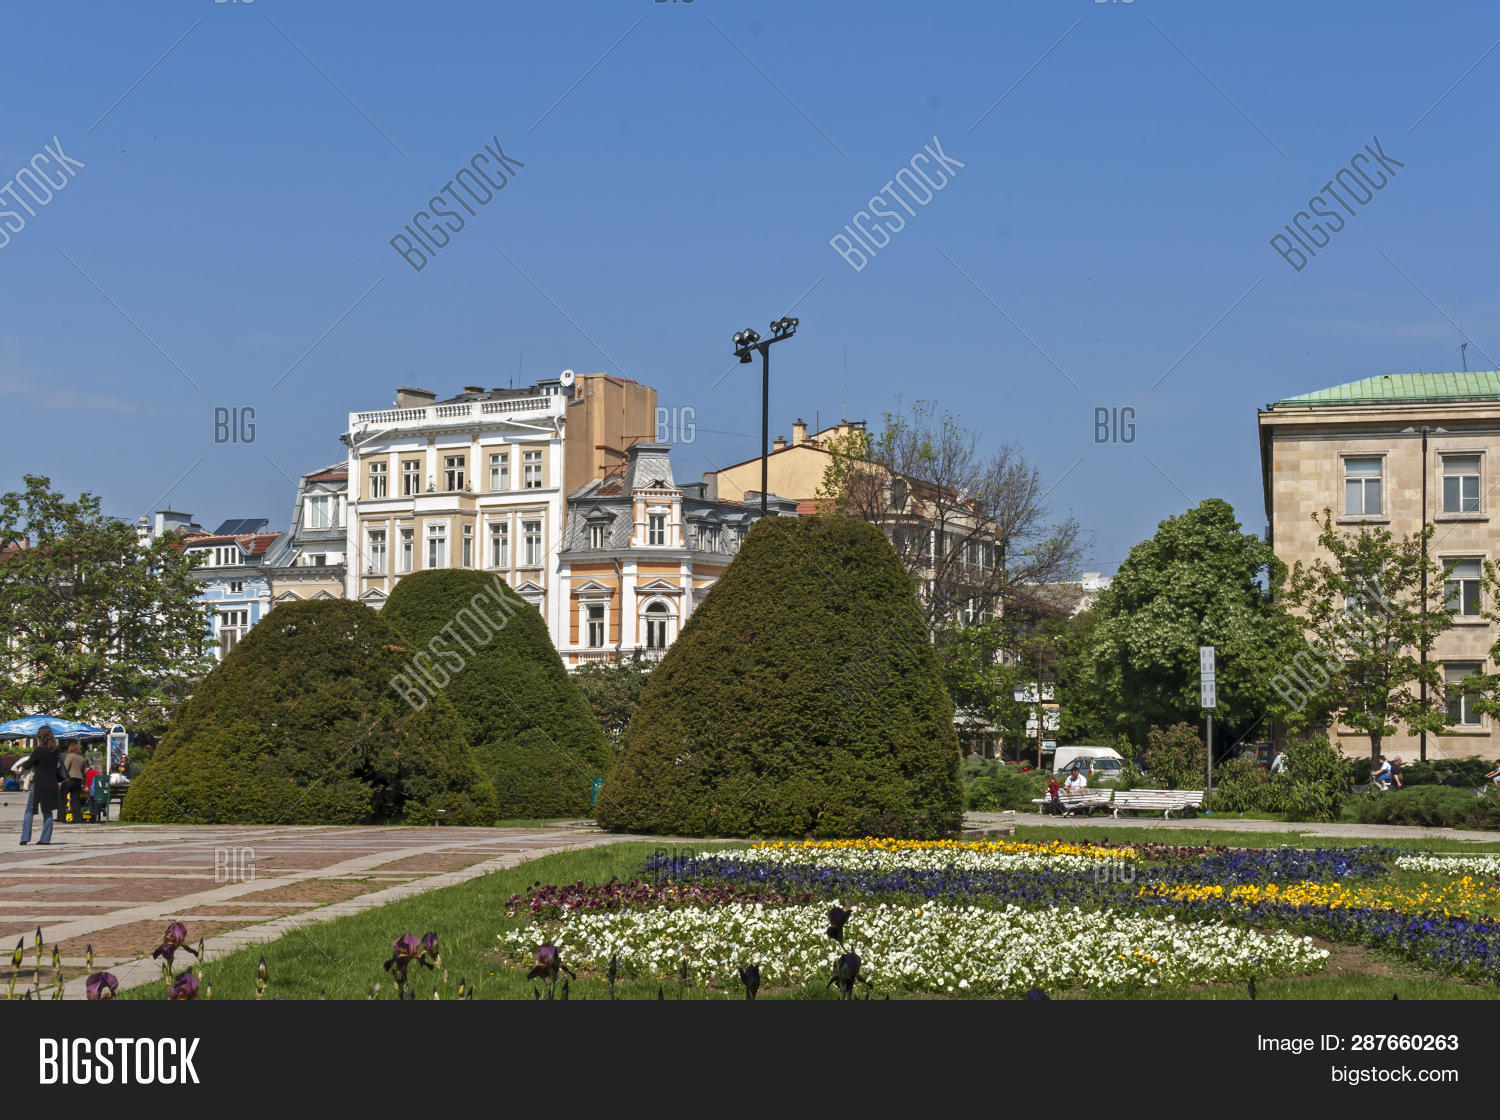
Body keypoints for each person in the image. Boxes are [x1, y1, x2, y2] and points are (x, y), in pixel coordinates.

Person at [17, 726, 63, 846]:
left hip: (39, 784)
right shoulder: (56, 751)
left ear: (40, 737)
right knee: (48, 811)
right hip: (52, 783)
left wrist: (21, 767)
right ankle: (45, 839)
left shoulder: (39, 750)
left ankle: (25, 837)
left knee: (29, 810)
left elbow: (29, 764)